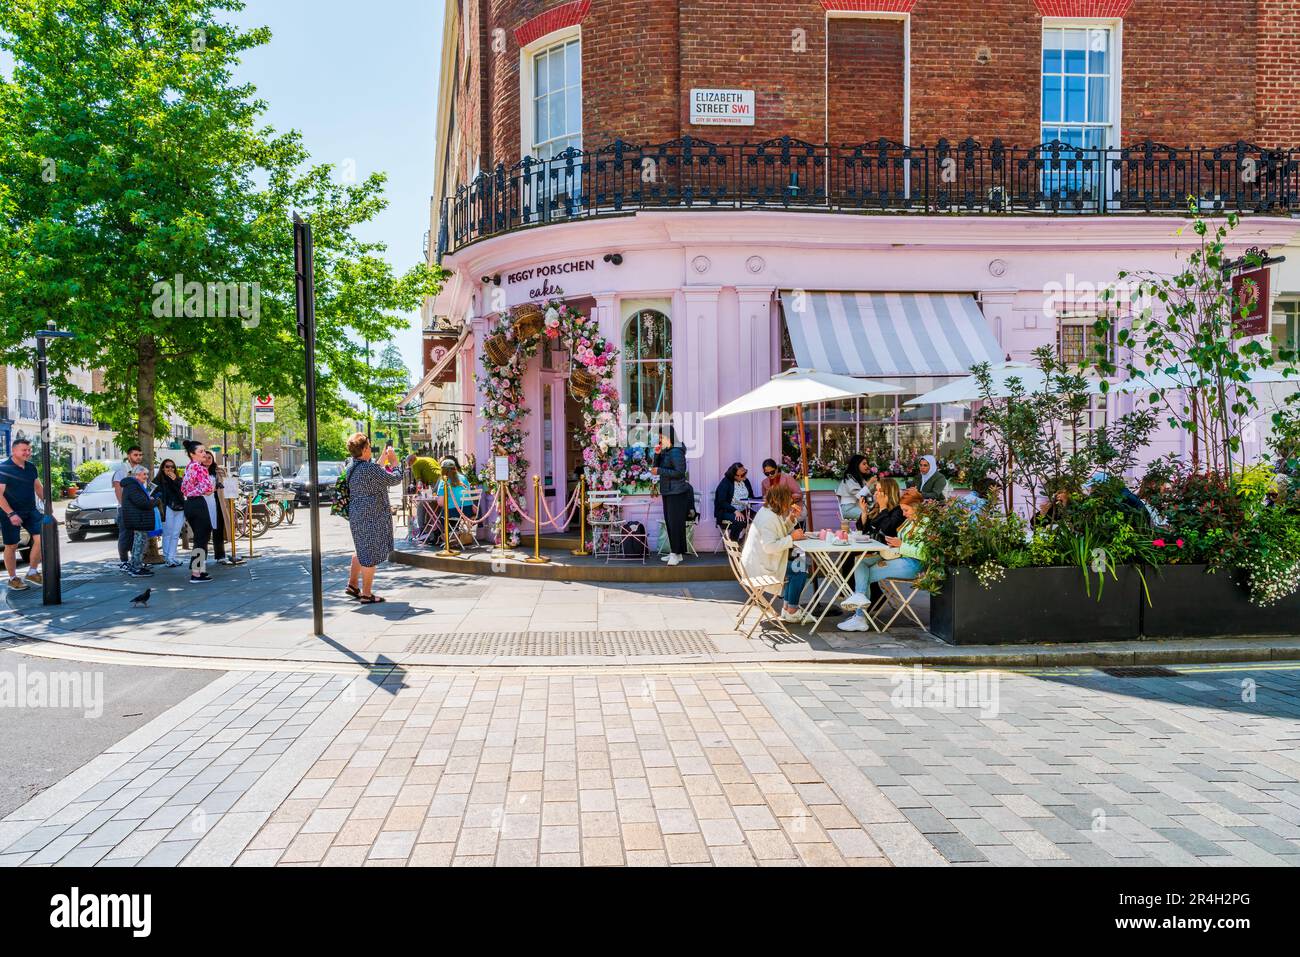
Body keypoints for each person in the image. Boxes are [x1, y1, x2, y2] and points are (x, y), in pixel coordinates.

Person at [840, 488, 928, 631]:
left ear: (916, 508)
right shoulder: (911, 521)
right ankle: (860, 607)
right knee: (860, 562)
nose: (904, 514)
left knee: (865, 575)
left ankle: (860, 616)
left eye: (906, 510)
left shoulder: (925, 523)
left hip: (913, 564)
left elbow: (925, 553)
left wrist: (901, 545)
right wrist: (896, 542)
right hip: (900, 557)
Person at [345, 432, 404, 603]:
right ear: (363, 449)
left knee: (361, 549)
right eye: (369, 446)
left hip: (357, 514)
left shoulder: (351, 467)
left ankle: (353, 585)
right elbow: (395, 479)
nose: (370, 449)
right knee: (369, 556)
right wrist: (394, 463)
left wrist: (381, 459)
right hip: (372, 515)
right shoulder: (369, 469)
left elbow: (373, 472)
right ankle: (367, 594)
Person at [739, 482, 809, 624]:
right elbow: (770, 547)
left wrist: (791, 519)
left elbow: (778, 532)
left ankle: (788, 608)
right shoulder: (768, 518)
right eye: (788, 499)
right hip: (761, 569)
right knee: (800, 570)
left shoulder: (768, 512)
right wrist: (792, 537)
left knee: (797, 567)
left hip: (758, 563)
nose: (790, 503)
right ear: (780, 500)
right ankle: (792, 610)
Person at [0, 438, 43, 591]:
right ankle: (13, 578)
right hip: (10, 512)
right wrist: (11, 514)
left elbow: (38, 487)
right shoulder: (4, 468)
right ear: (14, 451)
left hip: (30, 510)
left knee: (41, 537)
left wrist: (48, 505)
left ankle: (32, 572)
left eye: (29, 450)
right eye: (24, 450)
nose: (27, 453)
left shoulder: (31, 467)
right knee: (11, 545)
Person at [652, 425, 691, 566]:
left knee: (675, 524)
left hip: (677, 492)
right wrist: (657, 454)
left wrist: (660, 471)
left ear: (669, 437)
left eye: (662, 436)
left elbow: (680, 472)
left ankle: (675, 553)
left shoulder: (676, 451)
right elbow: (655, 468)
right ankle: (677, 553)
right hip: (668, 491)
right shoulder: (667, 451)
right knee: (671, 523)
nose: (660, 439)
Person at [180, 439, 217, 583]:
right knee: (202, 538)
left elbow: (183, 488)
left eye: (204, 450)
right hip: (198, 503)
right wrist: (209, 490)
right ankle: (196, 573)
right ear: (192, 454)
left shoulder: (188, 467)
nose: (204, 454)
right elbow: (208, 489)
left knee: (199, 538)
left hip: (189, 504)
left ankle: (199, 570)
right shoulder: (200, 468)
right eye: (200, 451)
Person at [120, 464, 157, 579]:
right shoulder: (133, 486)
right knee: (139, 544)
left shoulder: (134, 485)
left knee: (138, 543)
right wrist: (155, 501)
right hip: (138, 519)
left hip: (138, 519)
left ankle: (136, 565)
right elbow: (142, 503)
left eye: (146, 474)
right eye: (144, 474)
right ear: (137, 475)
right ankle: (136, 568)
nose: (146, 477)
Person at [112, 445, 145, 570]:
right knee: (125, 535)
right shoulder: (121, 471)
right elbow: (118, 489)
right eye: (135, 455)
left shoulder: (142, 470)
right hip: (125, 508)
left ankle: (135, 561)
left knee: (136, 535)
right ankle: (124, 561)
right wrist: (124, 505)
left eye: (140, 455)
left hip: (138, 508)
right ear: (129, 455)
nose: (138, 457)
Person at [431, 458, 476, 546]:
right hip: (468, 511)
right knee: (450, 512)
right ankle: (456, 534)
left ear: (443, 470)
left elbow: (440, 503)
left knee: (443, 514)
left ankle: (450, 537)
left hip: (454, 512)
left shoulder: (444, 480)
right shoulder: (463, 478)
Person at [153, 459, 187, 567]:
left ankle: (172, 557)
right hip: (167, 509)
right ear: (163, 468)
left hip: (180, 509)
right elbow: (150, 494)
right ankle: (167, 558)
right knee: (167, 534)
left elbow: (184, 491)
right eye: (167, 466)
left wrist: (176, 480)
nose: (170, 469)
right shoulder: (157, 480)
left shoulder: (178, 479)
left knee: (176, 534)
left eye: (172, 467)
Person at [713, 462, 755, 543]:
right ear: (735, 476)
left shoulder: (745, 481)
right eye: (742, 475)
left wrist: (763, 498)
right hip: (727, 511)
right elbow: (721, 502)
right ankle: (733, 543)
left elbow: (751, 498)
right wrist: (735, 511)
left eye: (745, 472)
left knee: (758, 518)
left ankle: (742, 541)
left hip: (743, 510)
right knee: (739, 520)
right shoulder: (725, 483)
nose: (745, 476)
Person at [836, 454, 873, 520]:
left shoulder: (859, 478)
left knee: (875, 514)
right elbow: (859, 495)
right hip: (848, 509)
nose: (867, 466)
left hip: (857, 507)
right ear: (856, 465)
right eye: (864, 464)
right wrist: (870, 482)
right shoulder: (849, 478)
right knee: (869, 516)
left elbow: (868, 497)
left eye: (867, 464)